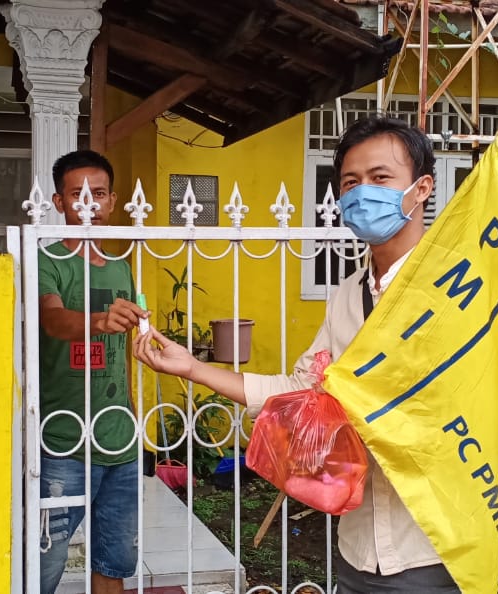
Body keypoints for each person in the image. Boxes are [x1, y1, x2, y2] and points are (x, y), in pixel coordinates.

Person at [133, 116, 460, 592]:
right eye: (351, 182)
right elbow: (302, 389)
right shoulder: (348, 295)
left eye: (380, 178)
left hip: (437, 549)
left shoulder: (459, 289)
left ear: (422, 187)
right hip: (356, 547)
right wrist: (194, 368)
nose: (363, 192)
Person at [37, 149, 148, 594]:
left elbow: (126, 347)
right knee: (46, 560)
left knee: (114, 560)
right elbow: (53, 319)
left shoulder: (121, 267)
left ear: (114, 200)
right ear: (58, 202)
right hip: (65, 440)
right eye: (78, 194)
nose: (90, 204)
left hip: (120, 440)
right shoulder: (47, 262)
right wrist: (98, 320)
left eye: (98, 193)